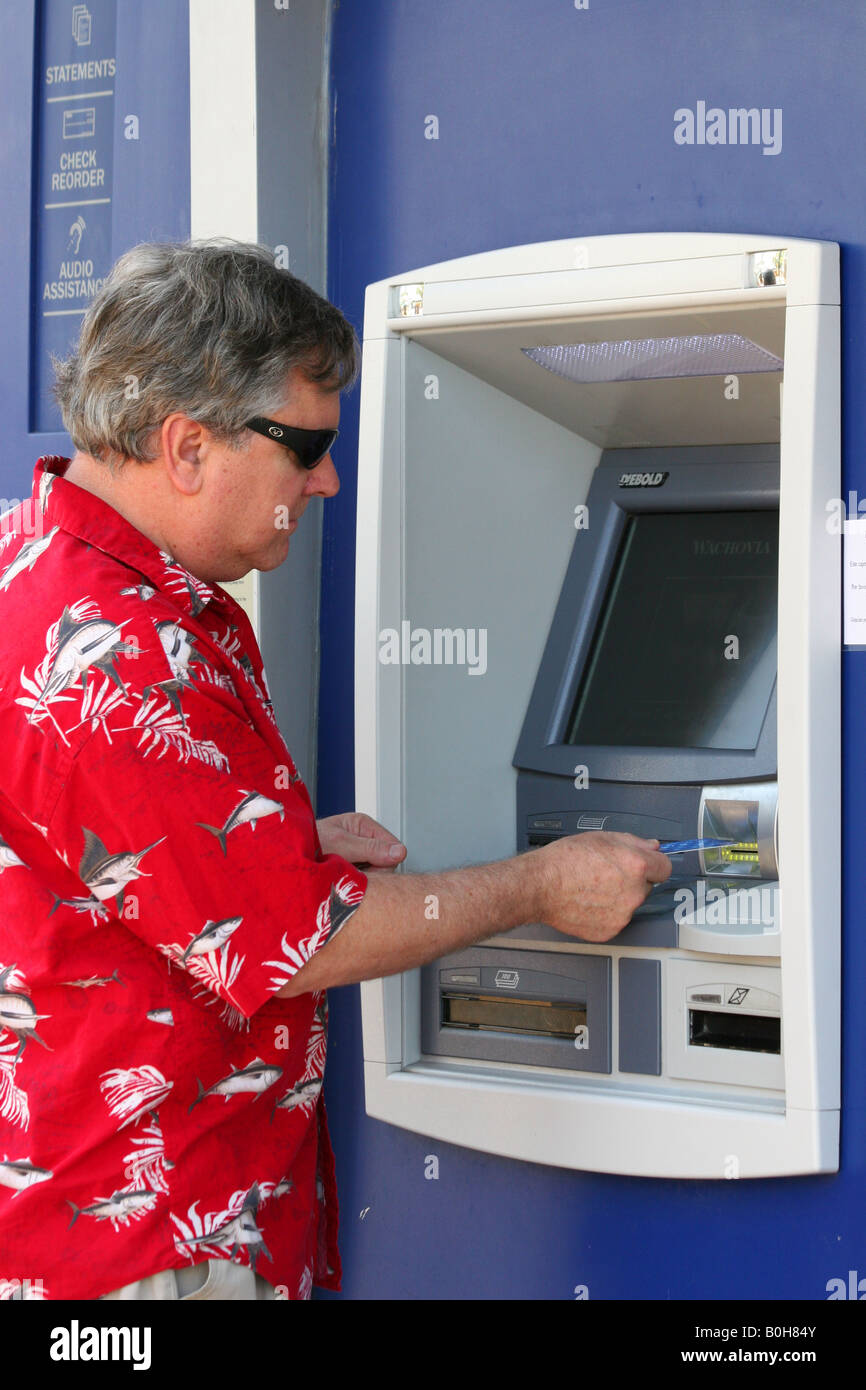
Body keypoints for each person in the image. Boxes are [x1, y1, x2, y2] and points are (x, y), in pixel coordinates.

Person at [0, 240, 670, 1302]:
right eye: (305, 446)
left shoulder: (40, 567)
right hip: (145, 1249)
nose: (327, 479)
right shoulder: (116, 648)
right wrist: (543, 885)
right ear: (185, 447)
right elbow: (300, 945)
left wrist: (266, 852)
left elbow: (99, 863)